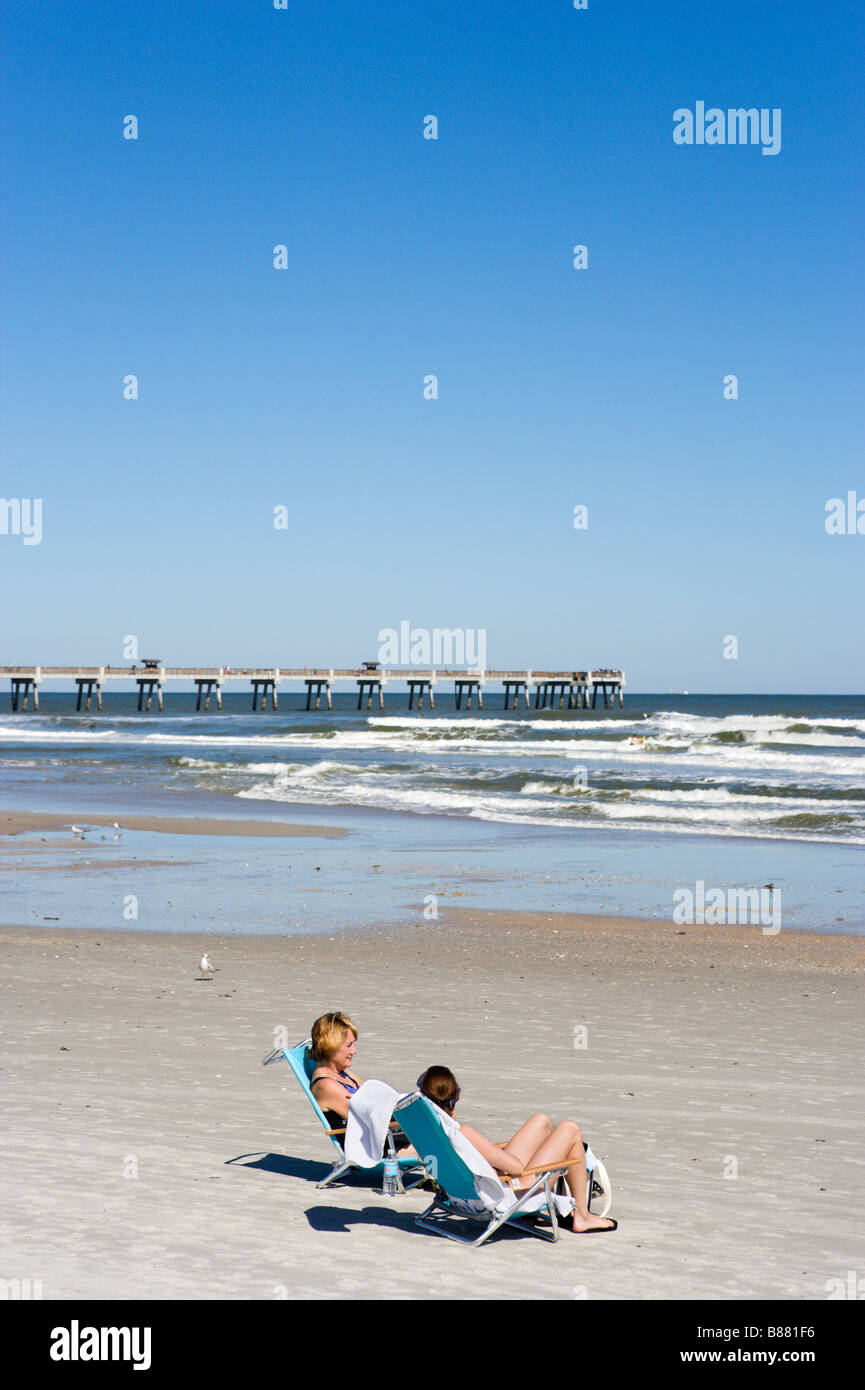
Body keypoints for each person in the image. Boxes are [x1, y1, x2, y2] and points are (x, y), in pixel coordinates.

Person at [417, 1065, 616, 1233]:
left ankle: (554, 1211)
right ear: (457, 1096)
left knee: (542, 1121)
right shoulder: (462, 1133)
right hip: (507, 1193)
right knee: (569, 1129)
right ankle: (581, 1216)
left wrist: (487, 1155)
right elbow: (516, 1169)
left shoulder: (430, 1132)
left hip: (466, 1194)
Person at [307, 1011, 411, 1151]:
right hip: (371, 1148)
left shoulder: (343, 1074)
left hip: (385, 1135)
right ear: (330, 1046)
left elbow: (376, 1099)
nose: (354, 1051)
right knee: (436, 1145)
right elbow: (370, 1118)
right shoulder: (326, 1086)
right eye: (348, 1045)